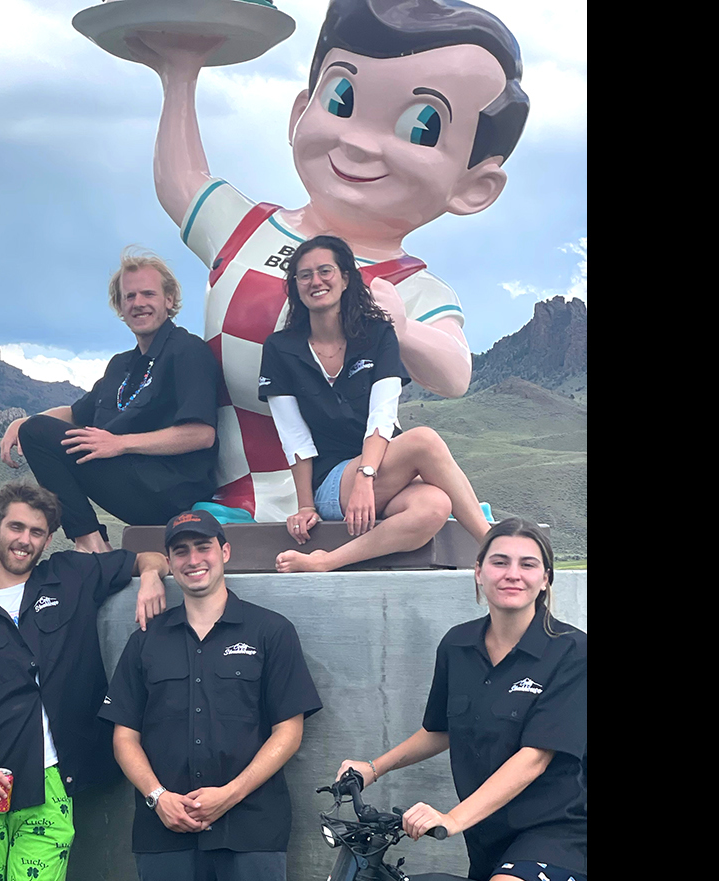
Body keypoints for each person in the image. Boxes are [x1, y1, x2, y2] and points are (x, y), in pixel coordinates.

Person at [122, 0, 530, 521]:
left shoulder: (411, 285)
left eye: (422, 127)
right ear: (299, 113)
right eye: (341, 98)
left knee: (425, 508)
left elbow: (453, 374)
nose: (360, 143)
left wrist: (404, 329)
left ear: (474, 187)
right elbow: (182, 183)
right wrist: (179, 75)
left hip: (353, 477)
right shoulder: (248, 227)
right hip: (239, 488)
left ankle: (472, 543)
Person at [0, 480, 171, 881]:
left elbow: (149, 557)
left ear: (48, 539)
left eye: (36, 532)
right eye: (16, 527)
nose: (24, 540)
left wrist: (153, 576)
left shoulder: (72, 574)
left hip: (51, 783)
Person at [337, 519, 585, 881]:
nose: (513, 574)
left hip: (557, 836)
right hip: (487, 837)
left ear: (546, 578)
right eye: (500, 562)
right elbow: (441, 729)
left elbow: (535, 756)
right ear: (479, 572)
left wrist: (452, 818)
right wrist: (373, 768)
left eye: (528, 564)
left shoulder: (572, 651)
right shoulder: (458, 645)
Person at [100, 509, 323, 881]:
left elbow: (289, 731)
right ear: (169, 563)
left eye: (203, 547)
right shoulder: (145, 642)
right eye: (181, 552)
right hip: (164, 831)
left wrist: (230, 794)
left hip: (252, 828)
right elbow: (124, 736)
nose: (193, 560)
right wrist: (158, 798)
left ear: (225, 552)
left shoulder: (271, 632)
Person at [259, 234, 492, 573]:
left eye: (325, 270)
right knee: (423, 440)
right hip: (331, 483)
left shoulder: (377, 334)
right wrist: (306, 505)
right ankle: (493, 547)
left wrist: (366, 478)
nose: (315, 281)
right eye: (304, 274)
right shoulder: (280, 348)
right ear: (295, 286)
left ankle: (326, 562)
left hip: (377, 474)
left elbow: (382, 416)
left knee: (435, 505)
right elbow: (294, 436)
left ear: (345, 278)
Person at [0, 248, 220, 552]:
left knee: (36, 431)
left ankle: (90, 542)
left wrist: (120, 443)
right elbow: (77, 414)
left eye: (148, 294)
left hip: (173, 491)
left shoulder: (187, 351)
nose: (138, 303)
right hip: (131, 484)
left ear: (168, 300)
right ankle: (90, 540)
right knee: (35, 430)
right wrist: (21, 422)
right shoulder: (121, 365)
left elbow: (202, 434)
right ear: (119, 305)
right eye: (129, 296)